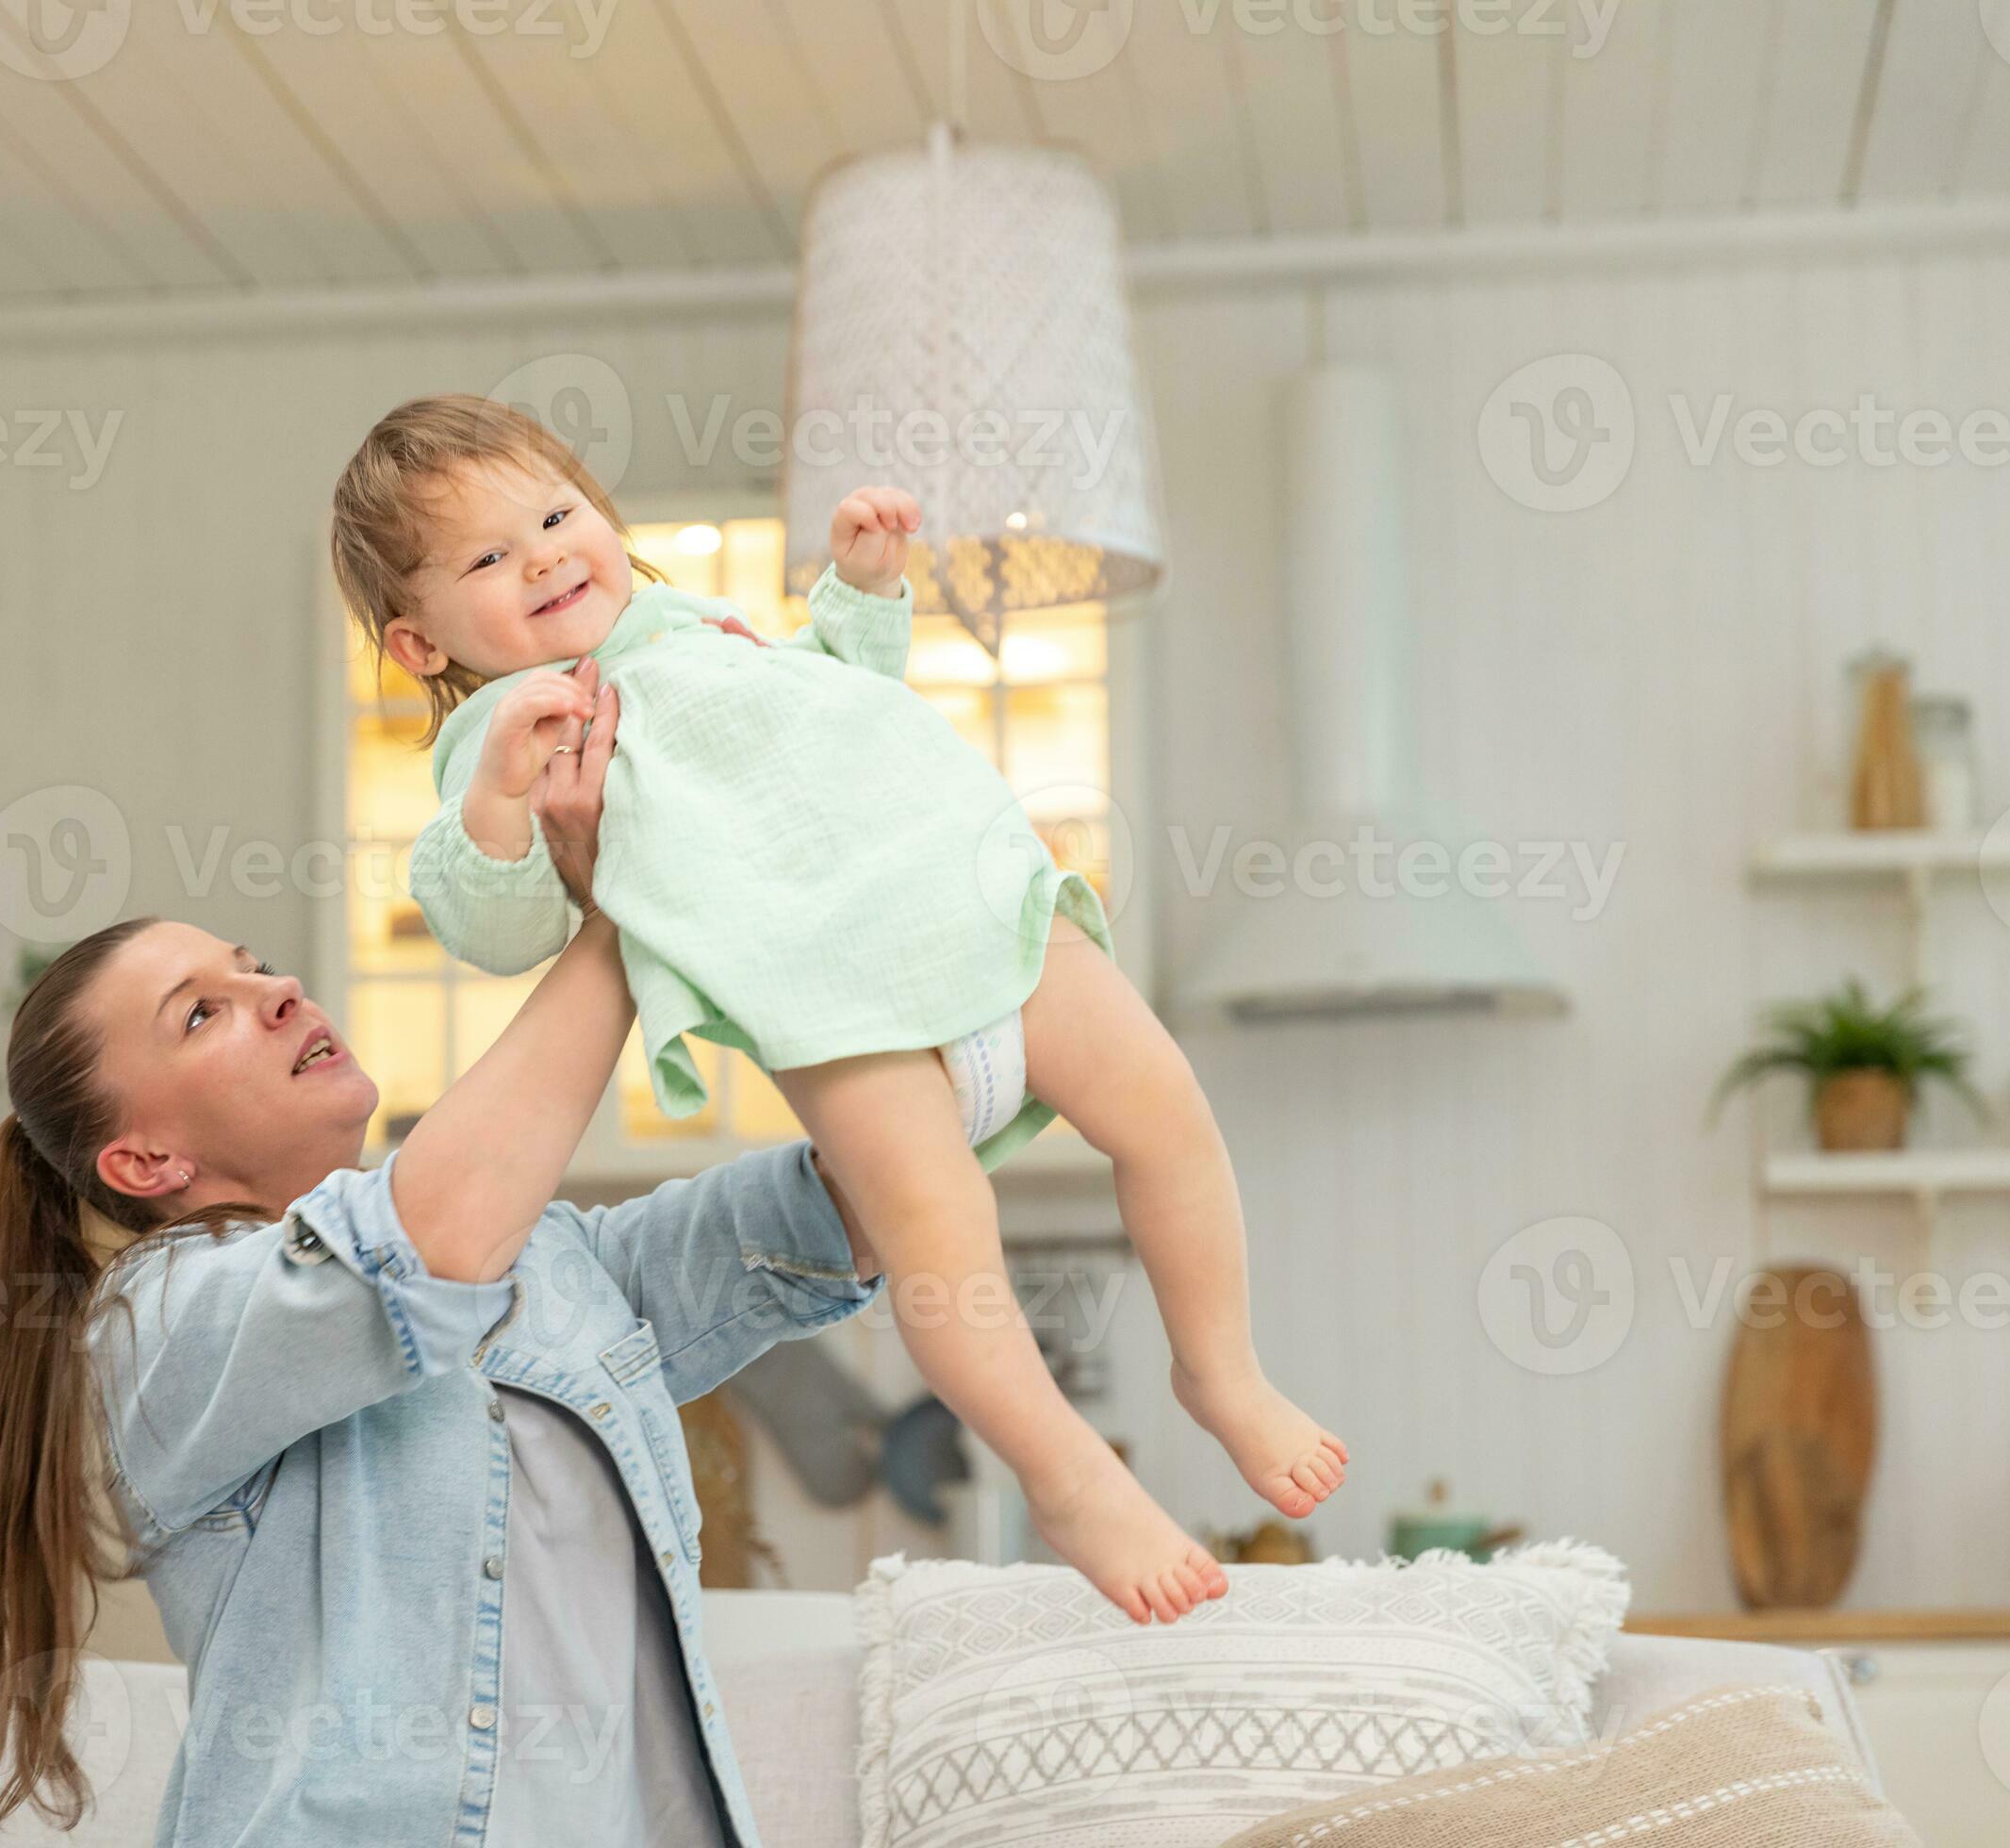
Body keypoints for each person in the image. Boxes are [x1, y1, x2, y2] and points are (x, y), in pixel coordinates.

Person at [329, 394, 1346, 1625]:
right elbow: (497, 924)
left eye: (555, 513)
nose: (543, 553)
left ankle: (1220, 1366)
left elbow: (842, 708)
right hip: (831, 1006)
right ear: (422, 647)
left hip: (969, 909)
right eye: (487, 557)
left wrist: (862, 595)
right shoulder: (507, 730)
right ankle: (1068, 1477)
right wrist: (499, 799)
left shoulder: (698, 626)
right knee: (941, 1231)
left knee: (1168, 1112)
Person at [0, 665, 882, 1844]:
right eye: (201, 1013)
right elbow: (423, 1248)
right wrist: (622, 914)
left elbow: (840, 1215)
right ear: (143, 1165)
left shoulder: (553, 1262)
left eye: (250, 966)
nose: (275, 990)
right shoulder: (159, 1327)